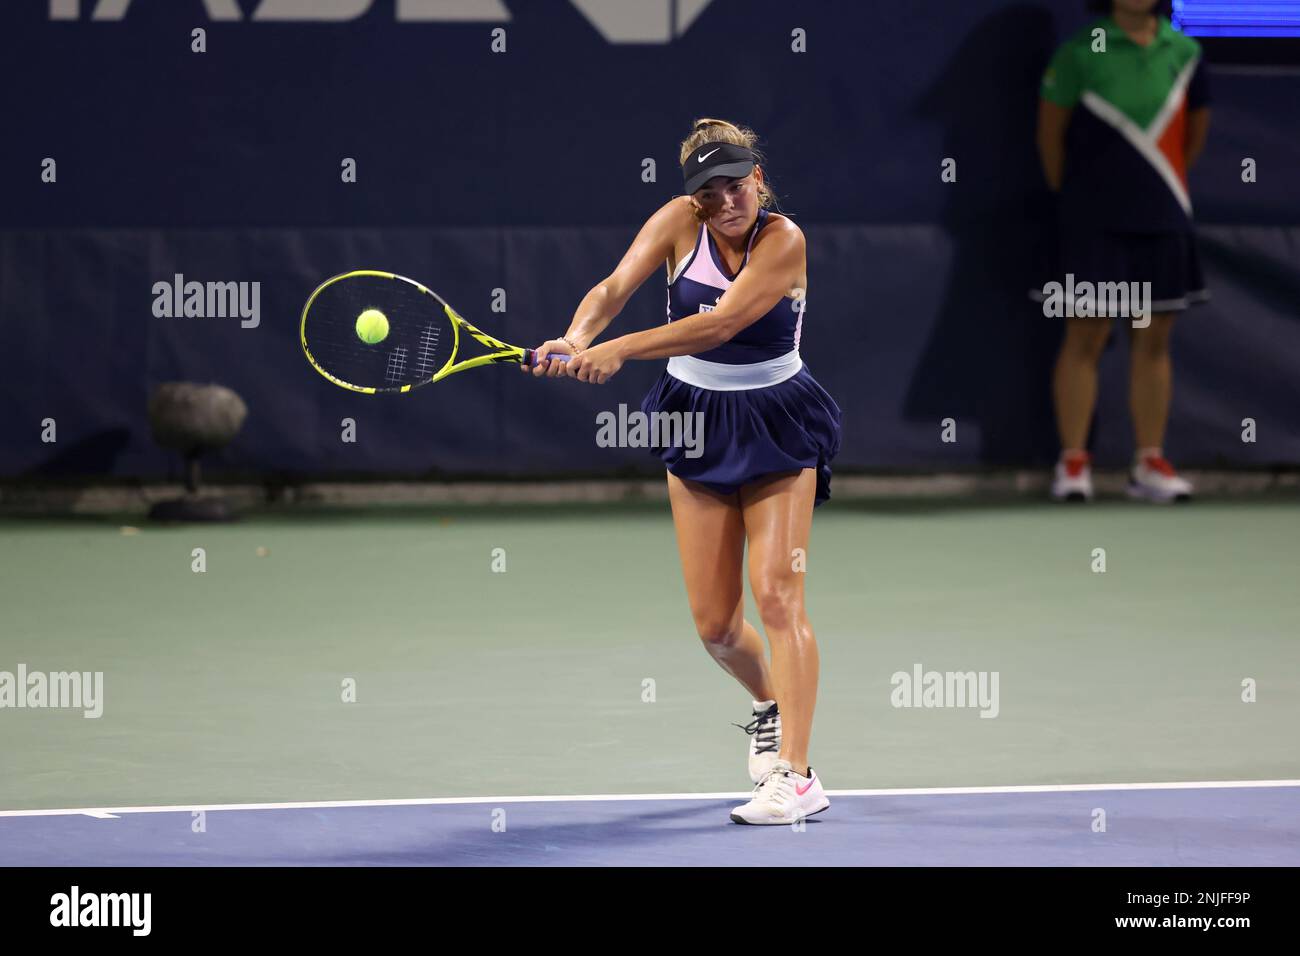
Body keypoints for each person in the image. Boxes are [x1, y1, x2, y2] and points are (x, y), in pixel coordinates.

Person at [525, 118, 841, 824]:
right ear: (693, 200)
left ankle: (799, 775)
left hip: (777, 419)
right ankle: (769, 703)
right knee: (717, 627)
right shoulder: (677, 221)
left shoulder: (784, 240)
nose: (728, 200)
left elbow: (720, 324)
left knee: (778, 595)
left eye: (737, 184)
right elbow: (612, 287)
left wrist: (620, 350)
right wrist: (577, 338)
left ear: (758, 177)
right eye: (711, 192)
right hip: (693, 417)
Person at [1037, 0, 1211, 502]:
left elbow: (1194, 137)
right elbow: (1050, 135)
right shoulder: (1080, 51)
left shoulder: (1186, 52)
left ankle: (1149, 464)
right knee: (1085, 336)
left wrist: (1157, 189)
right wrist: (1077, 204)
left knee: (1153, 339)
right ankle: (1073, 465)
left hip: (1163, 217)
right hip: (1093, 222)